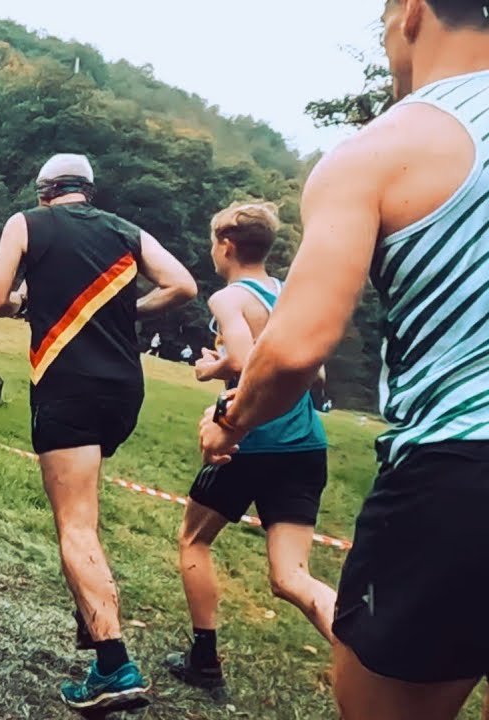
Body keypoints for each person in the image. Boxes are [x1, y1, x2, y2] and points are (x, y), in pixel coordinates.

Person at [198, 2, 489, 719]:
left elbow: (296, 347)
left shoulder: (384, 148)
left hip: (460, 468)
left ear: (413, 12)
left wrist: (229, 423)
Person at [0, 153, 196, 712]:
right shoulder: (127, 230)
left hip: (66, 383)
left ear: (45, 190)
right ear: (88, 191)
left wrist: (30, 303)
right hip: (125, 390)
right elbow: (183, 285)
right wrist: (130, 314)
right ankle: (89, 613)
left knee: (76, 525)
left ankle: (113, 663)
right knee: (84, 509)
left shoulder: (26, 224)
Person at [167, 202, 334, 695]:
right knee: (291, 576)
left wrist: (211, 368)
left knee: (193, 541)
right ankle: (364, 649)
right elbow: (316, 374)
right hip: (305, 447)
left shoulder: (229, 298)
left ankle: (204, 664)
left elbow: (243, 358)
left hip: (249, 441)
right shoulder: (288, 294)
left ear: (227, 246)